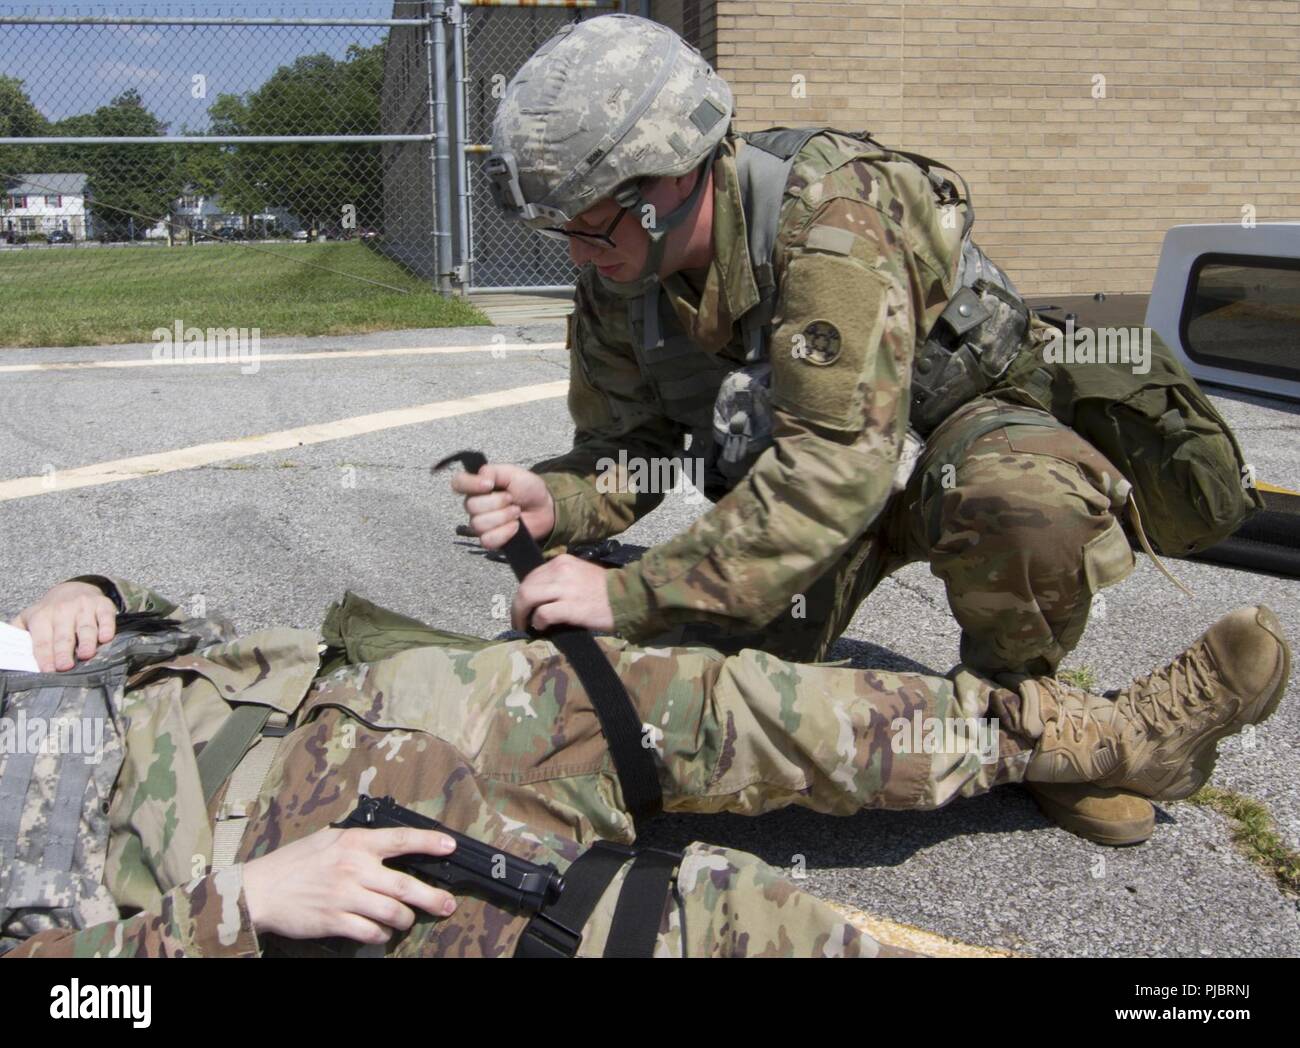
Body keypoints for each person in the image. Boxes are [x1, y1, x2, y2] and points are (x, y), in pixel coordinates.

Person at [456, 13, 1261, 845]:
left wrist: (627, 590)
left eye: (591, 223)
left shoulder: (832, 221)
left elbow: (835, 469)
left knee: (1025, 499)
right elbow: (639, 447)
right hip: (814, 487)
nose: (579, 255)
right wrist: (560, 499)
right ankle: (1037, 740)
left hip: (948, 444)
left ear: (671, 174)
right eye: (564, 231)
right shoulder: (621, 273)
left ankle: (1033, 708)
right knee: (697, 698)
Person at [2, 570, 1287, 956]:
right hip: (291, 853)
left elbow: (163, 612)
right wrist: (242, 912)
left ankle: (1103, 739)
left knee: (728, 706)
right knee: (691, 932)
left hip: (355, 691)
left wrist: (95, 589)